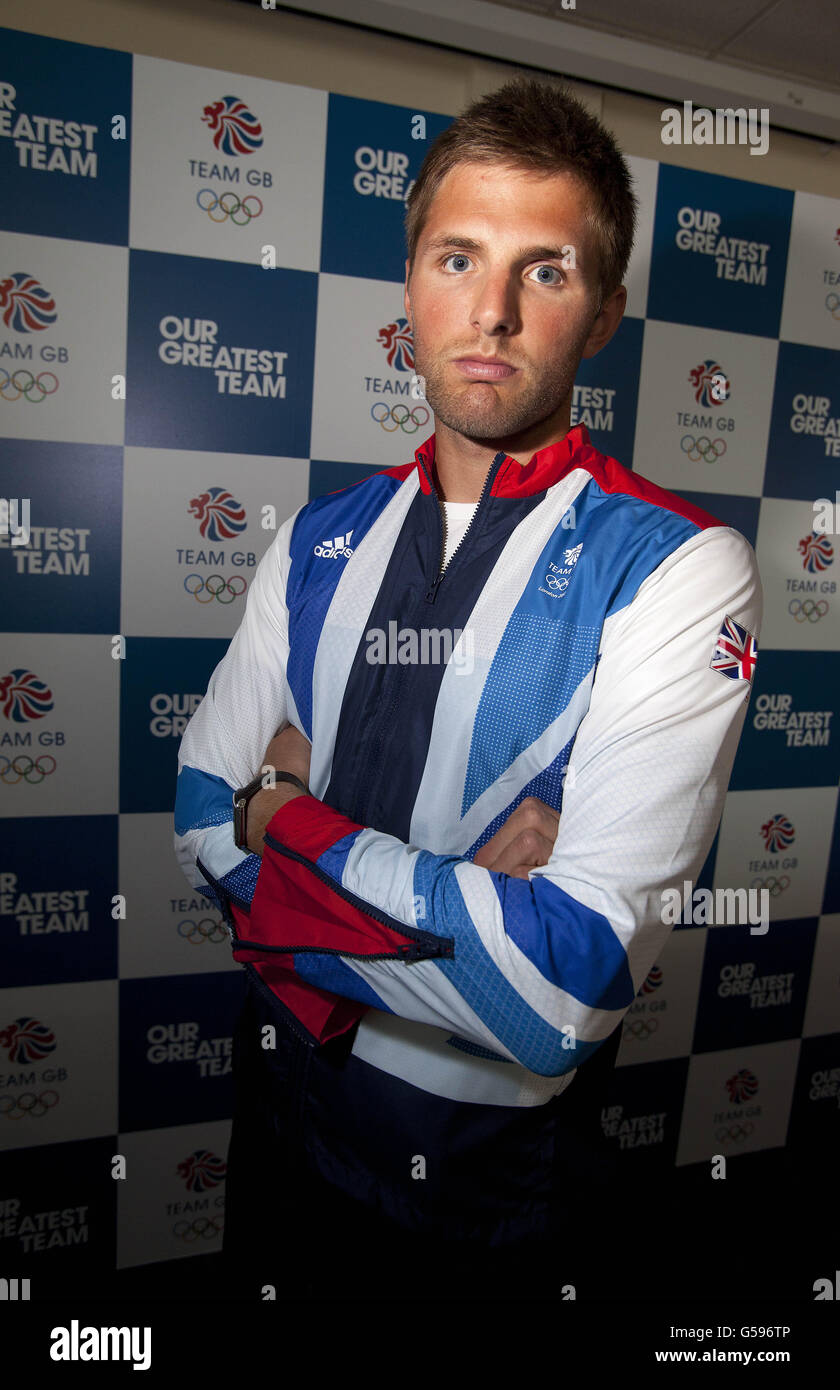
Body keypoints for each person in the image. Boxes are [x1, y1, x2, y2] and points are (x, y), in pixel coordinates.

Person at [174, 76, 761, 1299]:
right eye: (457, 257)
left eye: (544, 271)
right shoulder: (316, 540)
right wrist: (450, 912)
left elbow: (558, 987)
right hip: (277, 1116)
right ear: (408, 286)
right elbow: (192, 816)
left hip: (486, 1187)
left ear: (599, 314)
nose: (489, 312)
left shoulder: (673, 567)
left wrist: (279, 814)